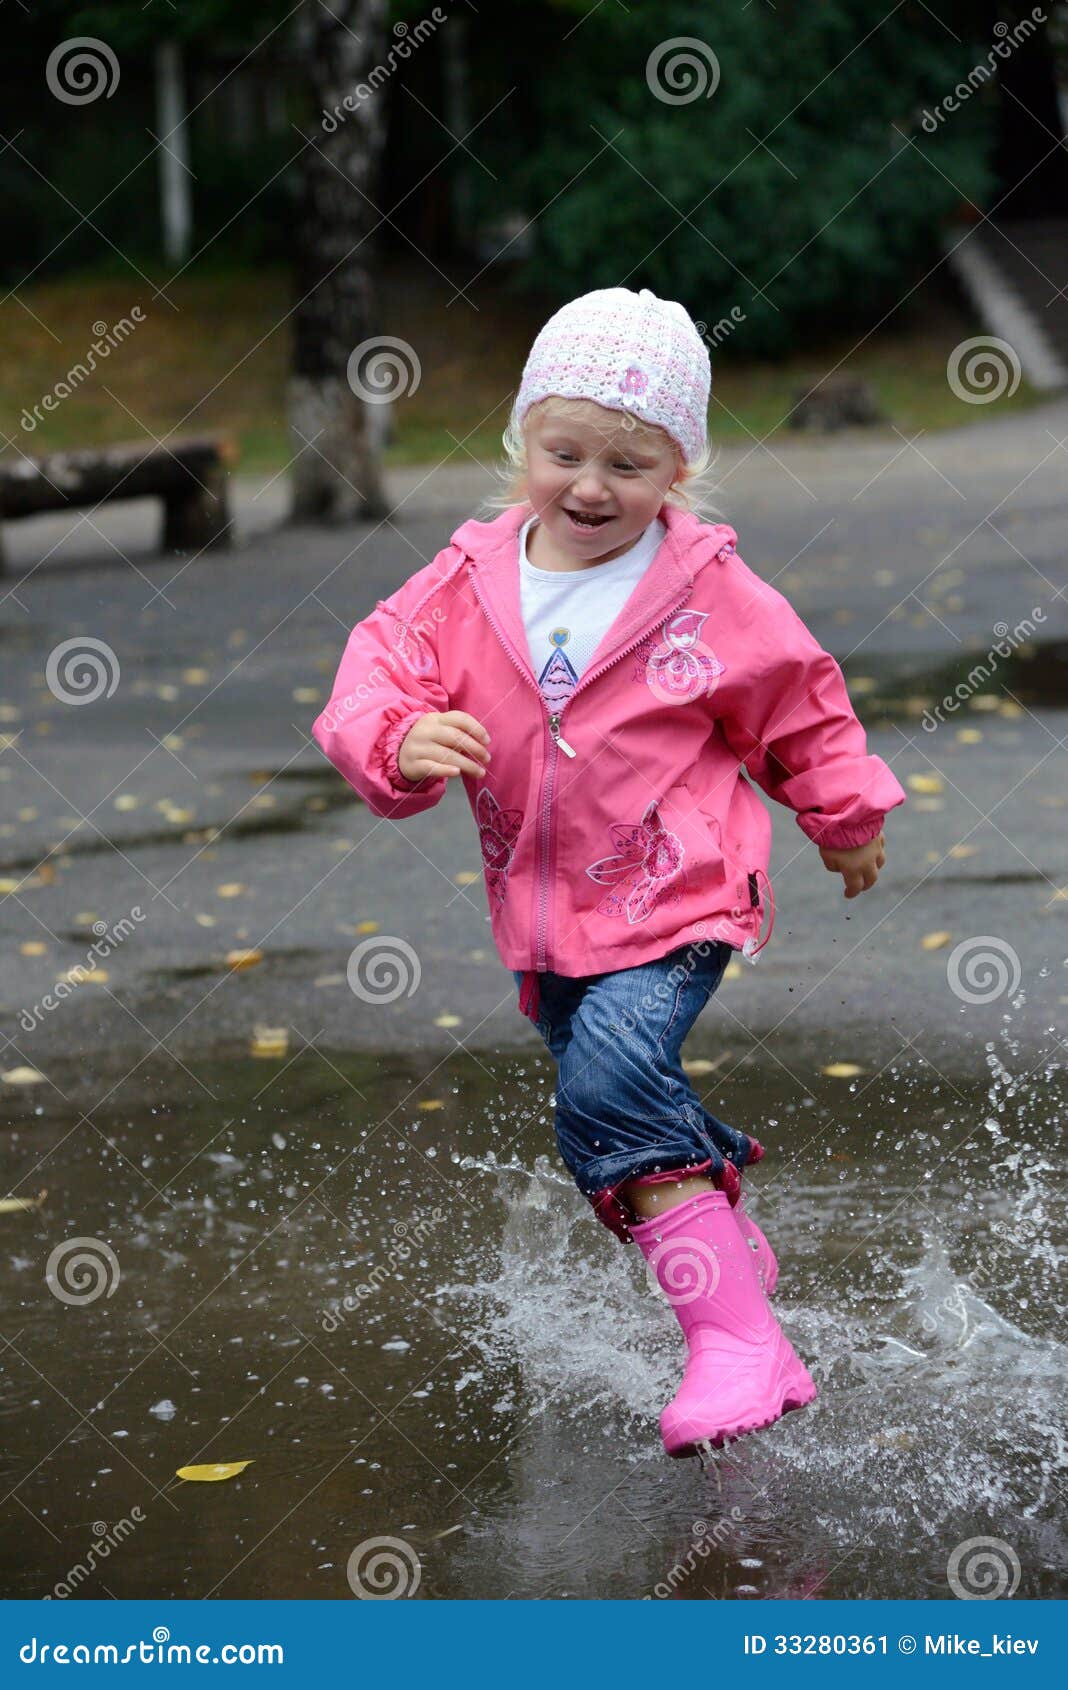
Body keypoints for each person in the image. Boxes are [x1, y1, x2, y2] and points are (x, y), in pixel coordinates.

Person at [313, 287, 906, 1460]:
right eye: (564, 453)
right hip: (545, 921)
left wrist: (843, 813)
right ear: (522, 440)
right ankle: (712, 1217)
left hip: (676, 892)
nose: (589, 486)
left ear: (678, 469)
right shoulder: (465, 579)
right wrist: (398, 735)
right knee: (607, 1111)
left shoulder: (705, 588)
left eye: (627, 465)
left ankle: (741, 1344)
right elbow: (374, 669)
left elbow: (797, 697)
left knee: (607, 1091)